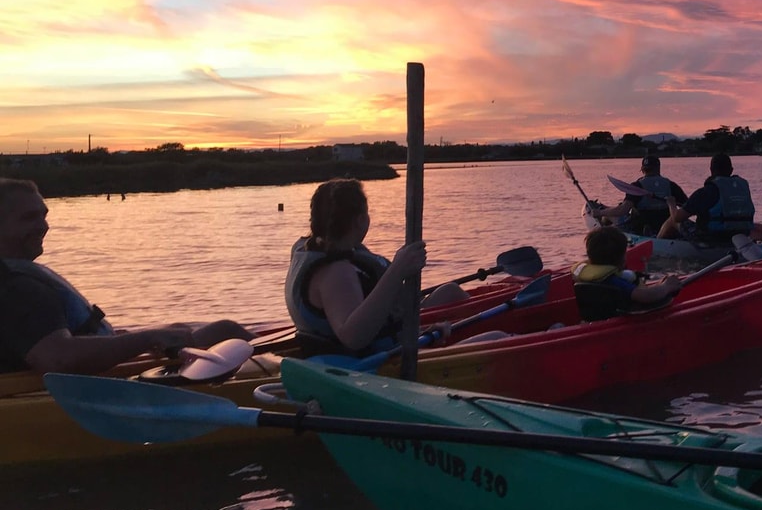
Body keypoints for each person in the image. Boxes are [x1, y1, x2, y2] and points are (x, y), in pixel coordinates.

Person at [0, 178, 254, 375]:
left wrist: (137, 337)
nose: (43, 226)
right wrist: (147, 338)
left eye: (43, 215)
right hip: (78, 389)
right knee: (228, 331)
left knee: (204, 330)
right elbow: (57, 359)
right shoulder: (17, 288)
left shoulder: (17, 279)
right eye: (28, 218)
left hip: (82, 373)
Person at [285, 178, 469, 357]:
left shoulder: (307, 249)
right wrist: (397, 270)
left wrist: (421, 332)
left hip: (385, 339)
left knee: (450, 292)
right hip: (374, 361)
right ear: (360, 220)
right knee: (487, 335)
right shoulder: (336, 272)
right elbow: (353, 337)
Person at [657, 153, 762, 243]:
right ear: (731, 170)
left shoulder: (706, 192)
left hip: (711, 239)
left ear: (711, 170)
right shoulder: (742, 187)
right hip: (739, 236)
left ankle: (657, 244)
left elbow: (678, 218)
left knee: (672, 220)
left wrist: (671, 204)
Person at [572, 226, 682, 321]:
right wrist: (666, 287)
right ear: (622, 258)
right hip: (618, 324)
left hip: (595, 321)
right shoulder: (615, 281)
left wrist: (658, 286)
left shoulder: (586, 277)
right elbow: (644, 295)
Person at [592, 155, 688, 236]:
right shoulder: (671, 185)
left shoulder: (637, 186)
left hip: (639, 226)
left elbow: (623, 210)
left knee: (607, 216)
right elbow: (687, 207)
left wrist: (600, 213)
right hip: (666, 225)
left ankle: (603, 224)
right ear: (658, 168)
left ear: (642, 169)